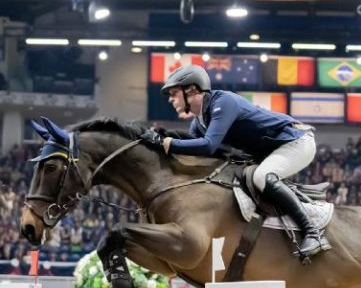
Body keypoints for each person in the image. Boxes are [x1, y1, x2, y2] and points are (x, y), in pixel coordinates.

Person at [139, 64, 326, 259]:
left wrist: (166, 143)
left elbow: (208, 146)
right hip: (272, 151)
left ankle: (313, 232)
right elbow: (193, 150)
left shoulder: (223, 102)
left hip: (295, 142)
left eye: (174, 93)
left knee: (262, 177)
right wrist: (158, 141)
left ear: (192, 90)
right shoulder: (199, 122)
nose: (170, 99)